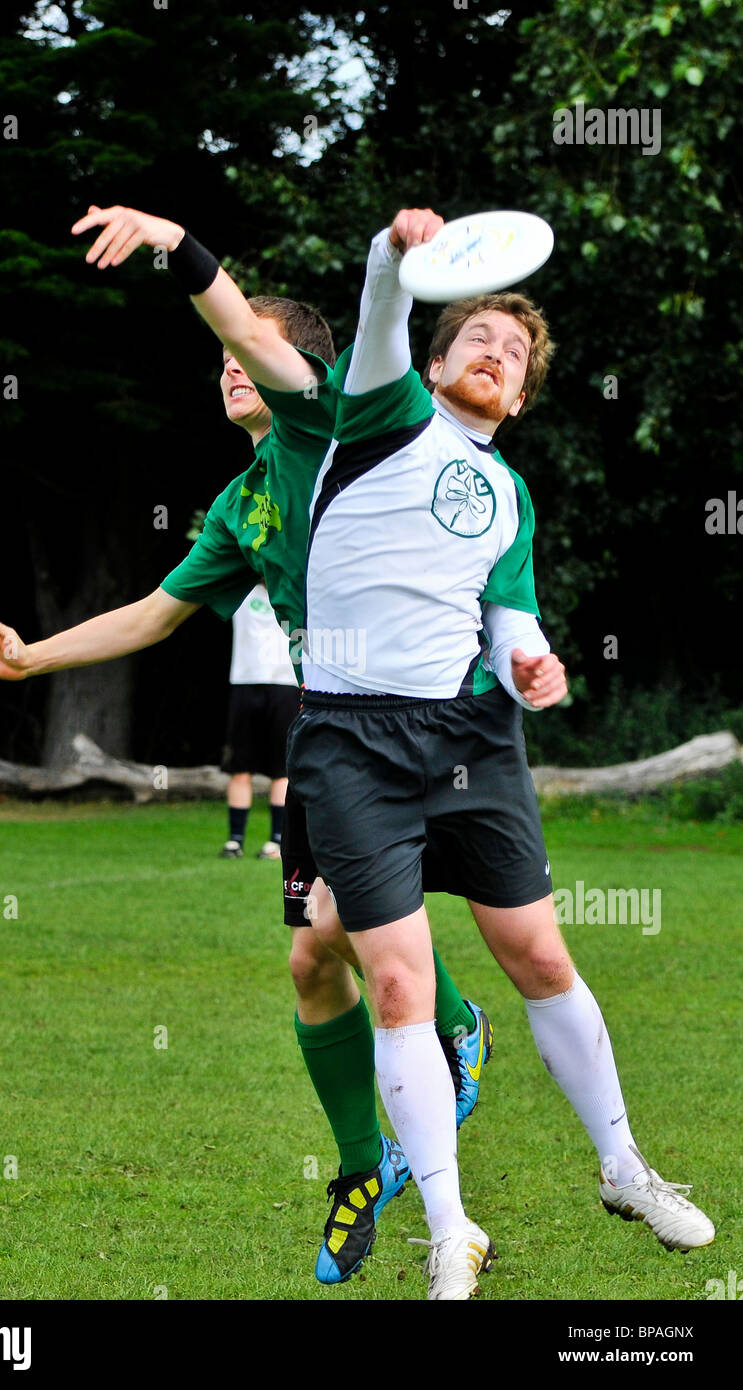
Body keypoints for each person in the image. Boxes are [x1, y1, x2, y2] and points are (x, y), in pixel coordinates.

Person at [0, 204, 491, 1288]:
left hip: (420, 718)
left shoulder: (323, 423)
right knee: (308, 955)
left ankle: (452, 1039)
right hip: (326, 730)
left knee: (355, 941)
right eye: (227, 364)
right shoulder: (241, 503)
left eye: (251, 354)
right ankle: (362, 1159)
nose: (231, 369)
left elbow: (243, 329)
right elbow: (155, 611)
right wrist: (30, 655)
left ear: (298, 367)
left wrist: (174, 241)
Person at [278, 212, 715, 1299]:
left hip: (468, 739)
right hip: (350, 740)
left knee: (537, 958)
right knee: (393, 984)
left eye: (513, 354)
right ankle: (448, 1229)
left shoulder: (508, 493)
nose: (494, 352)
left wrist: (537, 664)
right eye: (476, 335)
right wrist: (391, 255)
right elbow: (381, 312)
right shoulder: (380, 410)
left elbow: (508, 618)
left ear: (518, 398)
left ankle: (621, 1166)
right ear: (434, 362)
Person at [219, 582, 298, 860]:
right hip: (245, 681)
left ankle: (276, 841)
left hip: (285, 683)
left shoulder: (292, 586)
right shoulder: (241, 590)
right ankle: (234, 841)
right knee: (239, 767)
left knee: (282, 770)